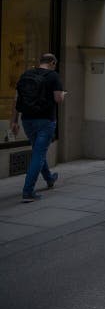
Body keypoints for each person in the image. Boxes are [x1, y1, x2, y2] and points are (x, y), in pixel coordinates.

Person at [10, 53, 64, 202]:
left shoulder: (26, 74)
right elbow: (58, 99)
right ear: (52, 62)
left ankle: (49, 178)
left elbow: (16, 99)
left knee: (38, 150)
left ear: (40, 61)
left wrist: (14, 121)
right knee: (39, 154)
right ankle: (28, 192)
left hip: (27, 120)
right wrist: (63, 95)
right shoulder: (53, 76)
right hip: (45, 121)